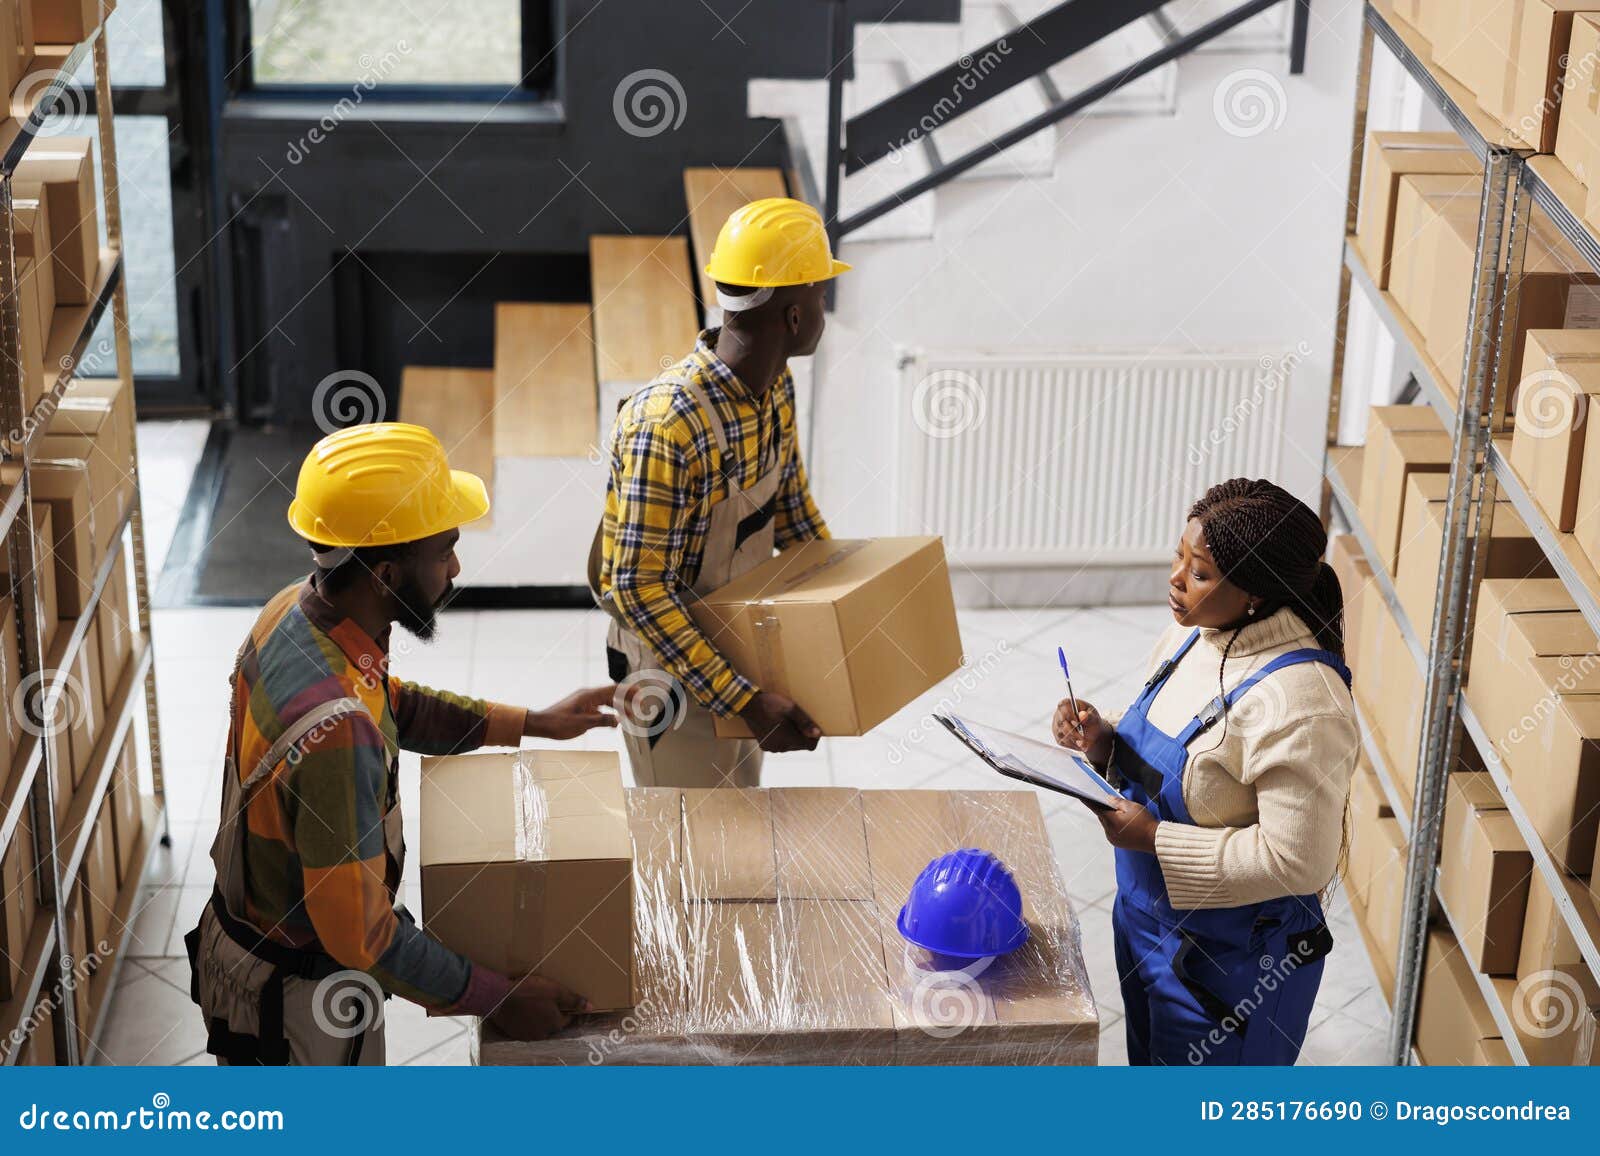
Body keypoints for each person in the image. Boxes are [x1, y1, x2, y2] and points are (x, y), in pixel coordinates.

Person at [187, 422, 622, 1065]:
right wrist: (499, 997)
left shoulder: (296, 611)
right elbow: (364, 937)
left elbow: (392, 706)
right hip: (300, 1015)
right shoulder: (338, 739)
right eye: (444, 549)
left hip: (265, 955)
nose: (455, 566)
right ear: (387, 573)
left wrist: (533, 722)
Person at [1053, 478, 1359, 1066]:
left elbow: (1300, 860)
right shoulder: (1192, 636)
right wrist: (1102, 739)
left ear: (1255, 593)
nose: (1175, 578)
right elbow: (1195, 759)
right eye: (1180, 556)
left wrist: (1153, 838)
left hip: (1233, 963)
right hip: (1146, 919)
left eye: (1200, 571)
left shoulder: (1303, 701)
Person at [588, 197, 849, 788]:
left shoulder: (775, 388)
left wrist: (846, 616)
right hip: (670, 681)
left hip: (741, 661)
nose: (823, 311)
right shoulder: (667, 424)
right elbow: (634, 587)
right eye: (819, 296)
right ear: (792, 316)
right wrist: (745, 700)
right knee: (685, 857)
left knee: (736, 842)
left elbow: (793, 511)